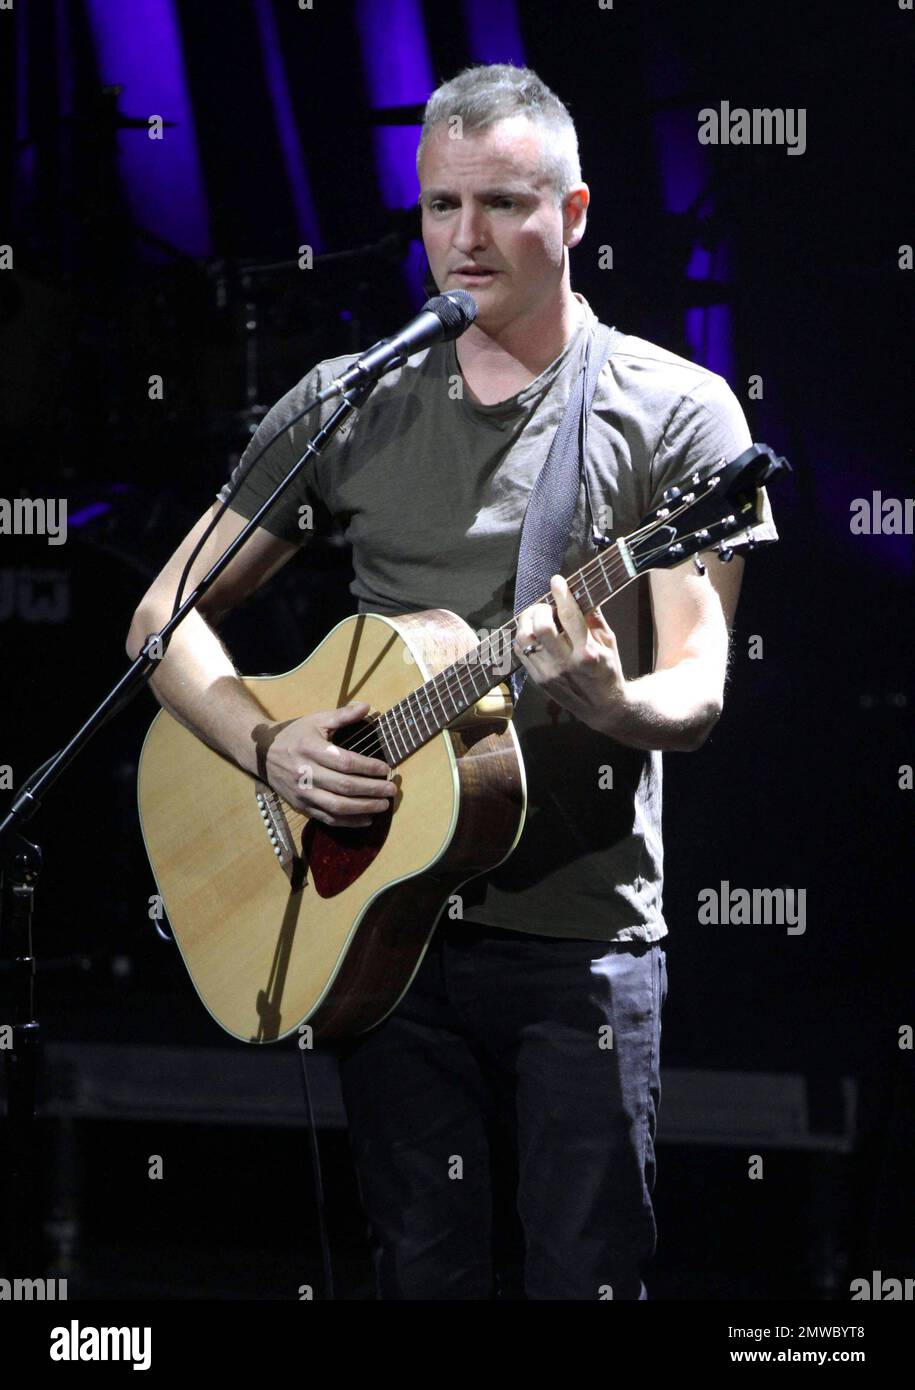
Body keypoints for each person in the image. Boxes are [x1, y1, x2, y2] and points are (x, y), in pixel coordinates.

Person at [127, 63, 776, 1300]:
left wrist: (609, 701)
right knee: (422, 1271)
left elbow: (697, 689)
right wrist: (266, 746)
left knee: (587, 1274)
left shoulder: (676, 414)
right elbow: (165, 613)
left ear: (574, 214)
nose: (464, 241)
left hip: (577, 946)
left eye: (503, 206)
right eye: (440, 207)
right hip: (382, 928)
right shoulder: (352, 399)